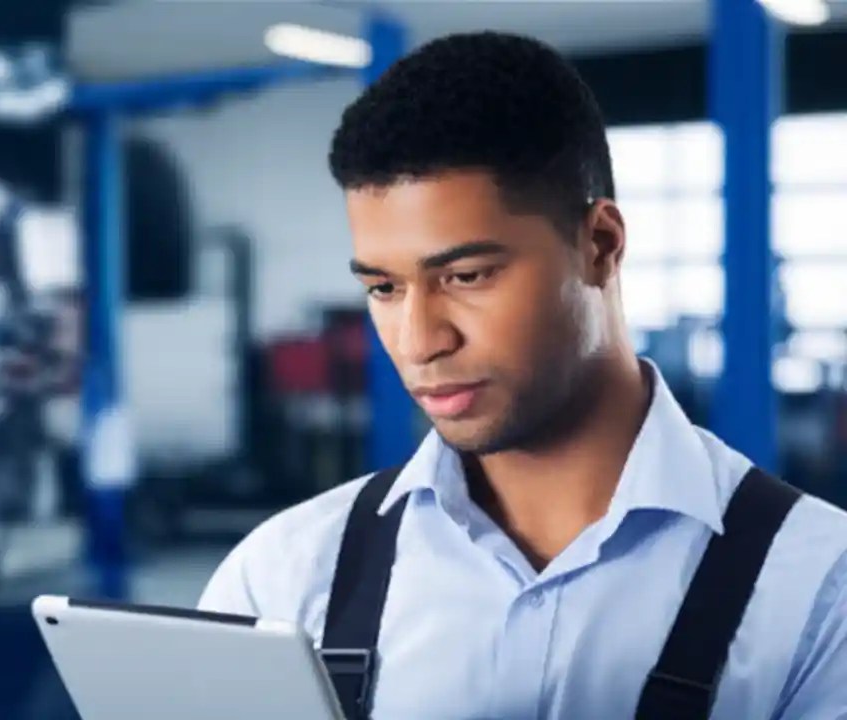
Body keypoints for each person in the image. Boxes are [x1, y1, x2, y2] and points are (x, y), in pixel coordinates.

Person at [197, 31, 847, 720]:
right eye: (384, 288)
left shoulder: (817, 591)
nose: (420, 341)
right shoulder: (284, 578)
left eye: (467, 276)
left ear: (599, 246)